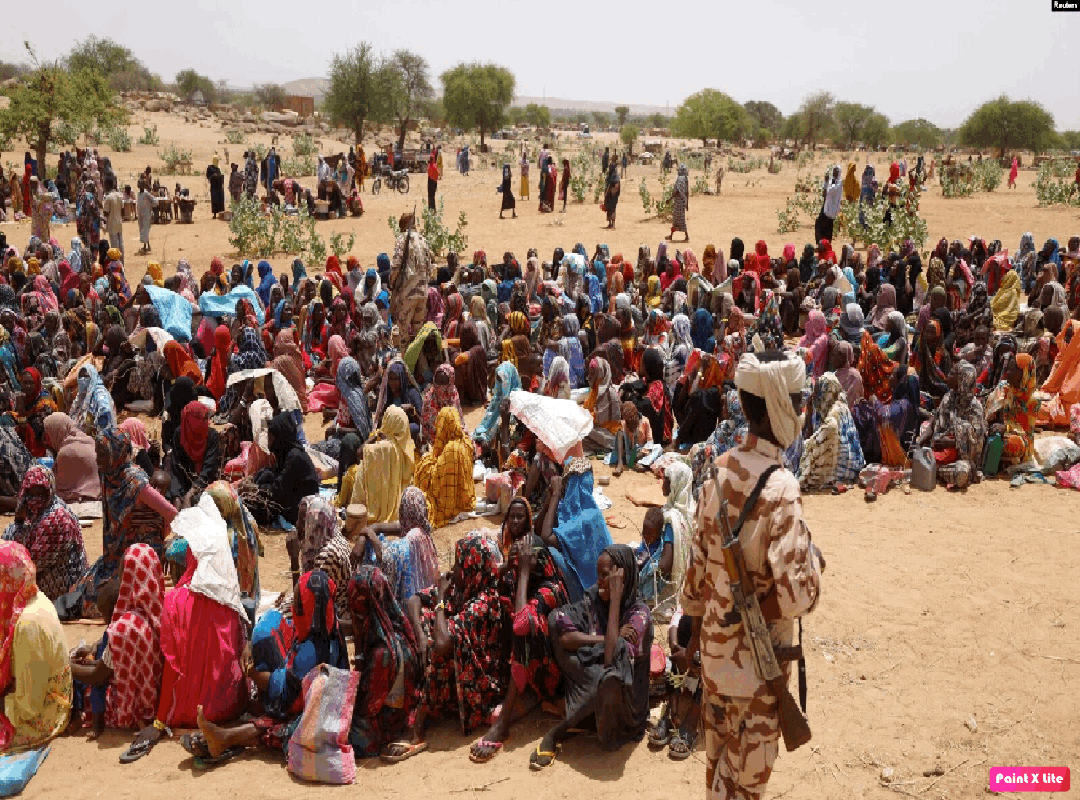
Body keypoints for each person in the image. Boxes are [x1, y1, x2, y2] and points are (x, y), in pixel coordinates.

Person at [682, 349, 823, 800]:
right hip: (760, 675)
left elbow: (692, 587)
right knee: (742, 790)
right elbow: (800, 595)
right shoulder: (782, 487)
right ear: (777, 403)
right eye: (796, 400)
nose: (801, 410)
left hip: (716, 667)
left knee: (717, 775)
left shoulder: (716, 473)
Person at [190, 570, 348, 766]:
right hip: (321, 699)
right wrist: (249, 643)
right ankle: (224, 737)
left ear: (308, 605)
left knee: (278, 725)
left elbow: (288, 696)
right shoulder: (327, 626)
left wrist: (252, 674)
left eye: (298, 601)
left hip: (317, 713)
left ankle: (225, 738)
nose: (293, 605)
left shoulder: (312, 649)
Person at [383, 534, 505, 763]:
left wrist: (440, 597)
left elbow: (443, 643)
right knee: (423, 624)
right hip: (460, 670)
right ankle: (411, 706)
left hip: (480, 683)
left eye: (459, 564)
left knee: (440, 641)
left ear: (471, 567)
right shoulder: (463, 586)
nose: (454, 569)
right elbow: (413, 600)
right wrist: (419, 635)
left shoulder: (484, 601)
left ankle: (417, 731)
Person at [532, 544, 653, 768]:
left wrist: (616, 600)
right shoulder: (595, 599)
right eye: (598, 575)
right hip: (597, 677)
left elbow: (610, 660)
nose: (599, 582)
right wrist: (606, 638)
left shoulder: (639, 615)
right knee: (555, 620)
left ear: (622, 577)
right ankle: (585, 716)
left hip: (623, 703)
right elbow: (565, 636)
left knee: (608, 678)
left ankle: (559, 731)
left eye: (606, 576)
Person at [470, 506, 568, 763]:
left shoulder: (552, 589)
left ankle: (502, 725)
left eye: (526, 558)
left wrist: (523, 570)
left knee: (525, 630)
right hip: (535, 662)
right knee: (495, 607)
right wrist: (507, 569)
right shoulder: (520, 572)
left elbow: (522, 623)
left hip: (553, 670)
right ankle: (512, 692)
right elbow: (502, 594)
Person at [69, 544, 163, 737]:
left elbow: (98, 676)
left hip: (127, 708)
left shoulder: (124, 627)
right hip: (159, 702)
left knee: (76, 687)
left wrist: (65, 666)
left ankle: (81, 720)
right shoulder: (164, 611)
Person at [0, 541, 73, 752]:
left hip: (44, 715)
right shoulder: (33, 597)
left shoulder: (27, 625)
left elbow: (28, 707)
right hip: (47, 697)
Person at [346, 566, 422, 758]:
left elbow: (366, 708)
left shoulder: (383, 652)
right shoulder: (398, 625)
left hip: (387, 727)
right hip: (400, 711)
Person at [2, 465, 88, 602]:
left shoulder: (55, 519)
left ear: (49, 491)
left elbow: (32, 564)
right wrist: (19, 520)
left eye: (40, 492)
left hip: (62, 593)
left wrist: (17, 524)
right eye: (30, 493)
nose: (34, 498)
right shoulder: (46, 510)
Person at [919, 361, 986, 489]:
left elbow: (976, 441)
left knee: (962, 471)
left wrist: (951, 443)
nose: (948, 376)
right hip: (939, 448)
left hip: (961, 457)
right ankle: (933, 467)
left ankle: (936, 469)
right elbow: (935, 421)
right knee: (923, 429)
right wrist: (921, 441)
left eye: (952, 373)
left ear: (962, 379)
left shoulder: (975, 407)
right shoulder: (948, 397)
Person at [345, 406, 415, 524]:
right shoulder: (407, 446)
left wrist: (373, 438)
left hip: (378, 501)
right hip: (397, 501)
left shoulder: (382, 447)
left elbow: (360, 452)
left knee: (352, 472)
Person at [798, 373, 865, 491]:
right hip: (852, 466)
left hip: (839, 471)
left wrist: (807, 445)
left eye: (819, 391)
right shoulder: (842, 406)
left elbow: (828, 430)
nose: (816, 396)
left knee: (805, 454)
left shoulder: (834, 413)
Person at [250, 412, 319, 526]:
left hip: (301, 507)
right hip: (291, 495)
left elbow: (278, 491)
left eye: (271, 437)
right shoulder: (284, 452)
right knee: (264, 474)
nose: (268, 440)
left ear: (280, 437)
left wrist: (258, 489)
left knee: (256, 508)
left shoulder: (294, 457)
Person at [414, 407, 475, 528]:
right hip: (465, 496)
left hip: (451, 503)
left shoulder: (450, 449)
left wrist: (424, 461)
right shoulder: (466, 441)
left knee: (424, 468)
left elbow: (437, 479)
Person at [169, 400, 221, 504]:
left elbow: (209, 469)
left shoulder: (212, 436)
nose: (207, 420)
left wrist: (191, 493)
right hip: (183, 481)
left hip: (204, 483)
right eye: (204, 417)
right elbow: (176, 467)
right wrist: (177, 496)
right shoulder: (179, 434)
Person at [43, 412, 100, 502]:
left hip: (84, 497)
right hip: (99, 493)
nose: (46, 441)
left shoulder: (66, 452)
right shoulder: (88, 440)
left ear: (56, 430)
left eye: (47, 435)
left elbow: (58, 488)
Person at [816, 165, 843, 245]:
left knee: (828, 226)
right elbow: (824, 193)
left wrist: (827, 183)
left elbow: (831, 191)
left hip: (832, 208)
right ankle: (820, 242)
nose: (834, 172)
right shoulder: (831, 180)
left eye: (836, 171)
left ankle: (827, 244)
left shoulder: (839, 182)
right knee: (819, 223)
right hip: (826, 206)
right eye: (834, 170)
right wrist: (826, 182)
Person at [103, 177, 124, 257]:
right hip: (119, 222)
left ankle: (117, 263)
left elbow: (106, 213)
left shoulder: (108, 198)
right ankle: (122, 263)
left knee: (115, 245)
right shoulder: (119, 195)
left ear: (108, 185)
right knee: (121, 244)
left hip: (112, 224)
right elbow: (122, 210)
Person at [668, 165, 689, 242]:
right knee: (679, 219)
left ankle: (686, 236)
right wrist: (687, 204)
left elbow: (677, 191)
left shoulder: (679, 179)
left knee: (677, 219)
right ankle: (671, 235)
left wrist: (670, 199)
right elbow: (687, 192)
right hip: (683, 202)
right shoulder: (686, 179)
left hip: (678, 202)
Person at [604, 161, 621, 229]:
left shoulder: (615, 175)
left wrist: (612, 192)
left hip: (612, 195)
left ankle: (613, 224)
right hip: (609, 194)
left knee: (612, 208)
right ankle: (610, 223)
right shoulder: (610, 174)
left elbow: (617, 185)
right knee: (609, 208)